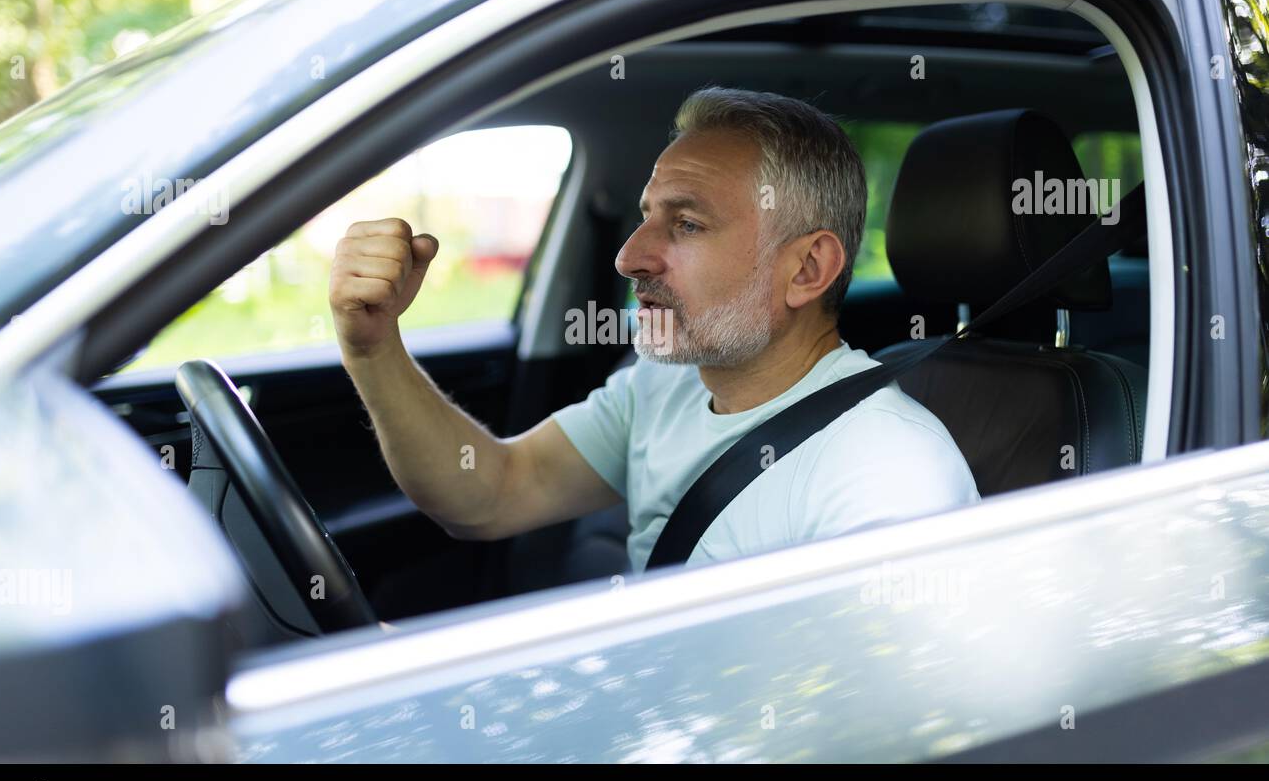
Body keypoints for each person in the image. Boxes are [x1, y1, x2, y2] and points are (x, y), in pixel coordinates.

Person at [329, 87, 978, 575]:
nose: (629, 255)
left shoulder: (888, 475)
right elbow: (492, 491)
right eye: (646, 216)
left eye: (687, 223)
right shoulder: (661, 384)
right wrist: (373, 346)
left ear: (806, 268)